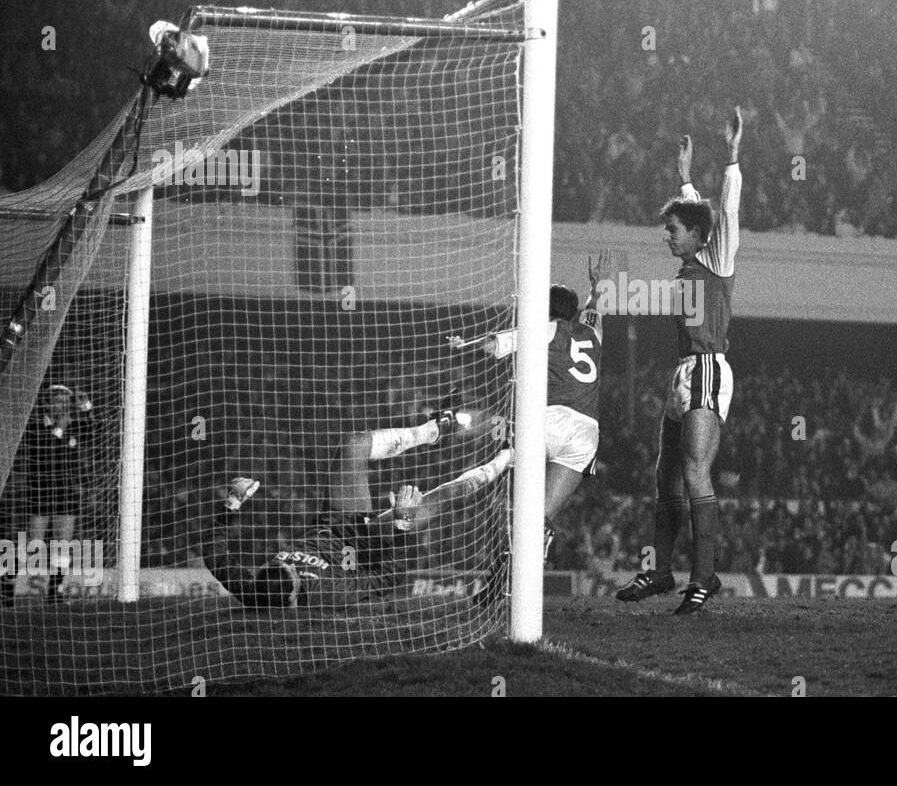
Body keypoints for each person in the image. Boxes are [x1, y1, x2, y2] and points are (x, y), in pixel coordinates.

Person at [618, 109, 743, 614]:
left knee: (695, 473)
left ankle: (704, 577)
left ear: (696, 235)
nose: (666, 236)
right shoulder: (693, 262)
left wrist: (732, 157)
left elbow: (726, 214)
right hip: (683, 372)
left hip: (709, 366)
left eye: (673, 229)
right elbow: (697, 213)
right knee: (665, 475)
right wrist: (685, 177)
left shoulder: (718, 259)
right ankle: (663, 571)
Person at [200, 412, 511, 609]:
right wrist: (401, 521)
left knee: (353, 445)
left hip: (334, 520)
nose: (291, 565)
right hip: (368, 545)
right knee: (442, 496)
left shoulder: (253, 589)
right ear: (295, 596)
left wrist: (232, 502)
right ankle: (506, 458)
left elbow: (215, 553)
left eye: (285, 564)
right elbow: (390, 578)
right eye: (294, 572)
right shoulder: (330, 592)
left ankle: (432, 430)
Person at [449, 250, 611, 600]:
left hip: (547, 421)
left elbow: (495, 346)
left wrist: (466, 344)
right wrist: (596, 287)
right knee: (540, 515)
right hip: (586, 434)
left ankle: (498, 568)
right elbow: (595, 312)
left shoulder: (544, 327)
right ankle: (514, 572)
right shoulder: (593, 334)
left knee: (508, 499)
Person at [3, 384, 97, 605]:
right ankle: (6, 589)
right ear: (47, 403)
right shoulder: (35, 428)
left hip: (66, 493)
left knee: (63, 545)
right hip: (41, 493)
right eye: (57, 400)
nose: (62, 404)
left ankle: (55, 593)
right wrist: (59, 431)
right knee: (32, 545)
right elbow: (47, 452)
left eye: (66, 400)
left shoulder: (73, 427)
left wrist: (86, 405)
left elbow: (95, 431)